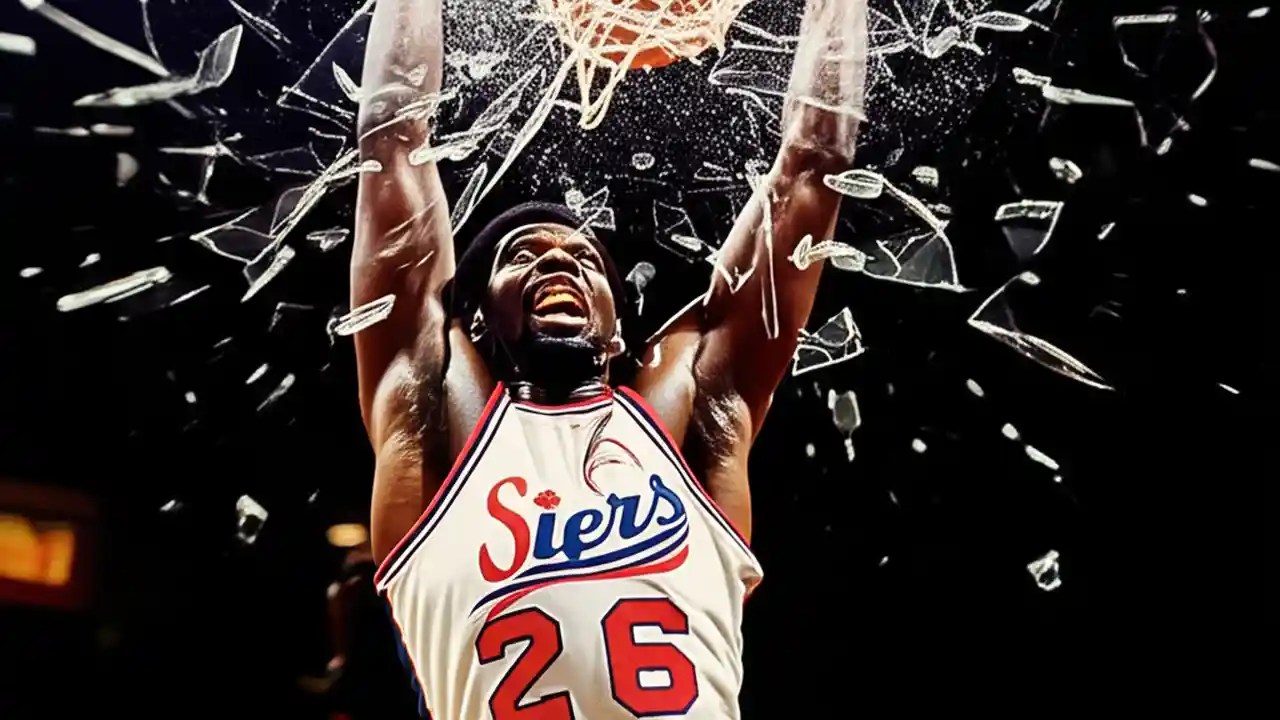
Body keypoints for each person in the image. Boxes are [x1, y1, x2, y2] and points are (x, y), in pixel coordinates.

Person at [352, 0, 868, 717]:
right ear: (477, 317)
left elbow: (814, 162)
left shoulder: (691, 412)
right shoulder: (432, 416)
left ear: (619, 329)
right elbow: (391, 138)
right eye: (522, 254)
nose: (559, 260)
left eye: (586, 259)